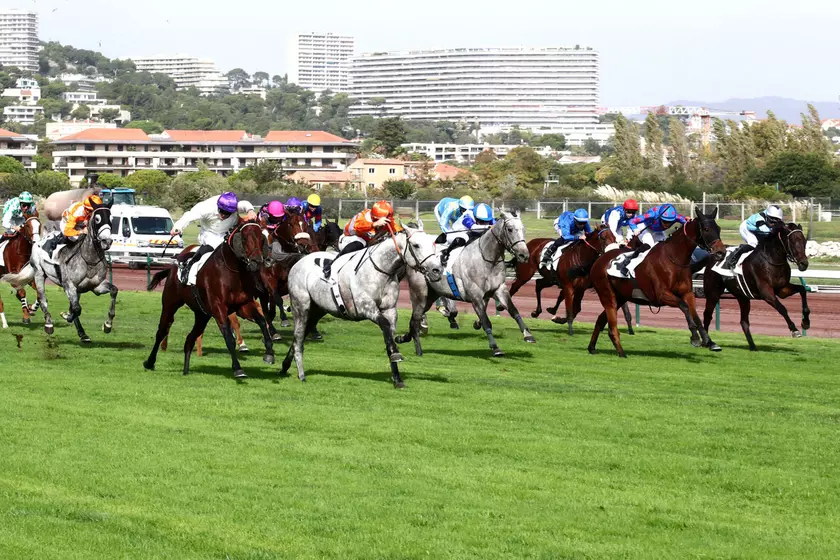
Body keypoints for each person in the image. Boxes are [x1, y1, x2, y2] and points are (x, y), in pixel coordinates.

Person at [170, 191, 256, 284]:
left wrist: (250, 211)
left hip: (228, 232)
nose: (223, 215)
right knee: (211, 247)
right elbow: (188, 216)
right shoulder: (206, 207)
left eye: (227, 213)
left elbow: (244, 204)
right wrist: (178, 227)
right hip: (209, 233)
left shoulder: (235, 205)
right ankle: (189, 266)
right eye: (222, 211)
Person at [324, 200, 400, 280]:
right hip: (349, 239)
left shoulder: (385, 220)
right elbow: (357, 228)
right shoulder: (362, 216)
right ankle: (331, 265)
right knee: (361, 242)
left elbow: (397, 229)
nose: (384, 223)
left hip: (368, 244)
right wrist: (374, 224)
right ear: (375, 218)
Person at [617, 203, 687, 276]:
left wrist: (688, 221)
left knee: (665, 248)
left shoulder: (677, 217)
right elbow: (632, 221)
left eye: (670, 222)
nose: (667, 225)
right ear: (659, 217)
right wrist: (635, 229)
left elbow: (687, 224)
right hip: (645, 227)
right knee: (649, 246)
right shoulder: (652, 214)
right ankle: (628, 266)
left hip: (658, 231)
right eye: (665, 221)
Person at [724, 205, 785, 269]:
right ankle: (735, 257)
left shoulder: (771, 216)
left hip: (756, 230)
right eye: (772, 220)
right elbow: (764, 230)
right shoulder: (760, 219)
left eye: (776, 220)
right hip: (746, 228)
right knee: (753, 244)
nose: (773, 223)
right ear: (767, 215)